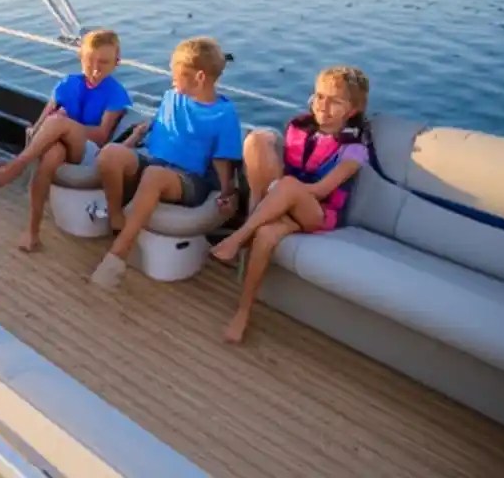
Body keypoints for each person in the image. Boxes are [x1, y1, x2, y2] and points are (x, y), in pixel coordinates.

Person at [210, 65, 371, 343]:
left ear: (352, 110)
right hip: (286, 203)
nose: (323, 105)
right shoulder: (300, 128)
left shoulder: (354, 149)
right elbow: (281, 165)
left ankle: (238, 237)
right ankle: (243, 311)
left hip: (319, 214)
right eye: (320, 96)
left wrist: (282, 190)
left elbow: (321, 190)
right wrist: (267, 149)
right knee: (266, 233)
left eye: (335, 101)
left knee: (288, 185)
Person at [88, 36, 242, 290]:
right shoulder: (171, 96)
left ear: (200, 77)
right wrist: (134, 138)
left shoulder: (223, 114)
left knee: (154, 176)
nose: (171, 77)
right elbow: (156, 134)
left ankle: (118, 255)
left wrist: (228, 193)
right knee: (109, 154)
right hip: (153, 162)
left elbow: (223, 159)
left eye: (177, 73)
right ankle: (116, 219)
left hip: (189, 180)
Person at [0, 29, 132, 253]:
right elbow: (40, 124)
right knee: (51, 157)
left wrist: (66, 126)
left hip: (89, 152)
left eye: (104, 63)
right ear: (80, 57)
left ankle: (16, 166)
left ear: (116, 63)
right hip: (60, 144)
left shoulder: (115, 93)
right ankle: (32, 231)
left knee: (59, 122)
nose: (96, 69)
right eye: (90, 61)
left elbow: (101, 135)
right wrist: (49, 129)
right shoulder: (67, 83)